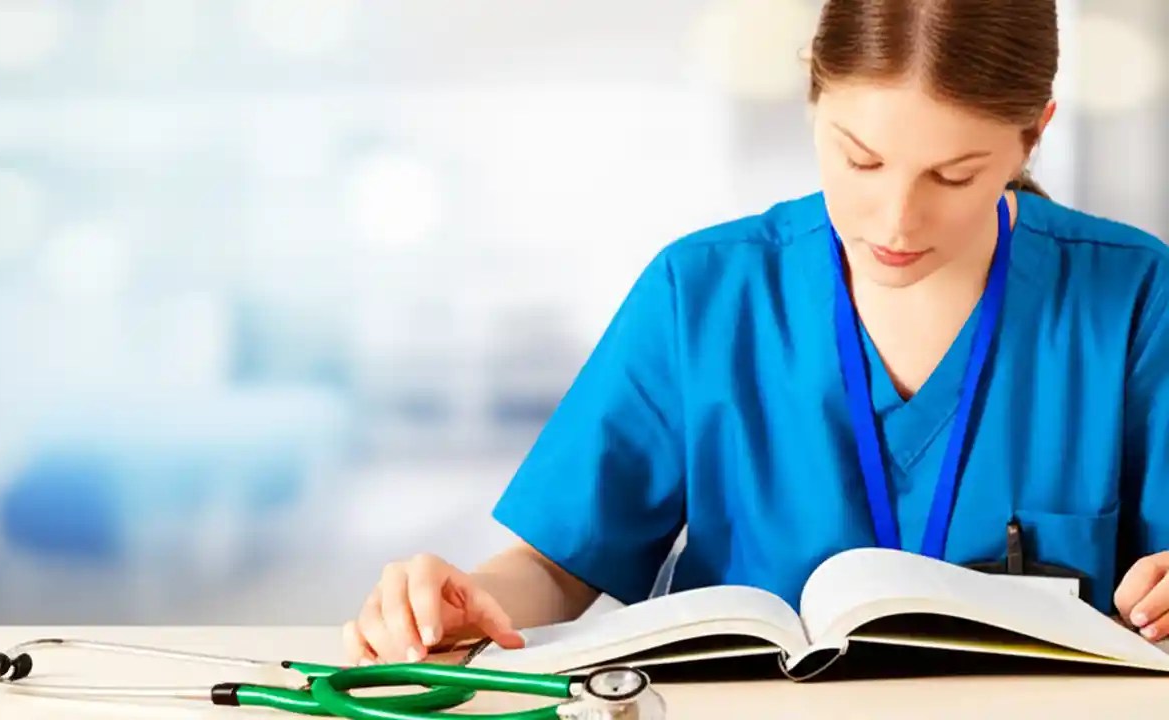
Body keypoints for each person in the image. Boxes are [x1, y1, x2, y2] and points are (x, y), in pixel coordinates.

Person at [343, 0, 1169, 665]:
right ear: (813, 100)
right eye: (861, 160)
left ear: (1036, 130)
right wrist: (462, 605)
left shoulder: (1132, 296)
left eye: (954, 177)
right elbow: (558, 566)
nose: (896, 220)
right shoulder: (703, 291)